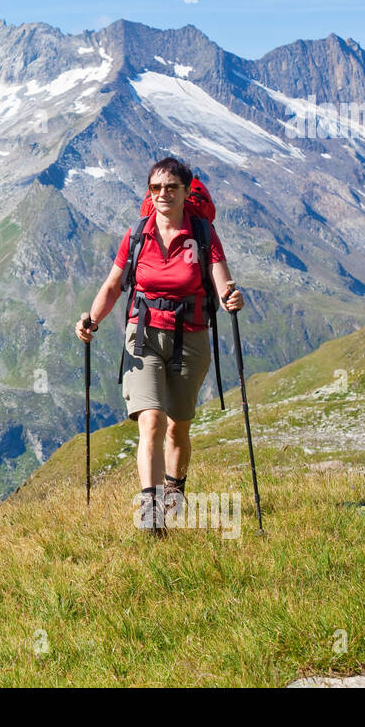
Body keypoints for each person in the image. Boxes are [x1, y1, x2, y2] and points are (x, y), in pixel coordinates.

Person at [75, 156, 244, 535]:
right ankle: (150, 512)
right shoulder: (137, 234)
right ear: (148, 193)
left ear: (186, 192)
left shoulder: (202, 234)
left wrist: (232, 296)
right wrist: (91, 320)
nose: (162, 194)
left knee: (177, 429)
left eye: (171, 187)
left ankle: (174, 493)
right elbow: (113, 285)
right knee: (151, 422)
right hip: (144, 334)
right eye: (155, 188)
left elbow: (222, 281)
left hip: (191, 336)